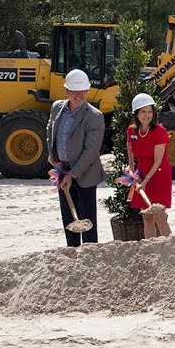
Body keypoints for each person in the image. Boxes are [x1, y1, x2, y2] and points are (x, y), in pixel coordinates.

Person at [45, 69, 105, 246]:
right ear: (66, 91)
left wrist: (72, 175)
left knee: (87, 222)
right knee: (69, 219)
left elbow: (91, 151)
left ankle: (90, 256)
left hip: (85, 174)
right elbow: (50, 131)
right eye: (75, 91)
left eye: (83, 91)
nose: (79, 95)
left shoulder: (94, 116)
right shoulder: (57, 108)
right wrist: (54, 158)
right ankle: (71, 254)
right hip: (63, 170)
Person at [125, 93, 173, 237]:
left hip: (159, 174)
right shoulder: (131, 131)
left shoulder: (159, 131)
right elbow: (131, 157)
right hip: (142, 172)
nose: (147, 115)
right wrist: (132, 173)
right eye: (143, 112)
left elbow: (158, 160)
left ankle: (170, 247)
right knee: (146, 216)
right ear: (136, 113)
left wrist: (146, 181)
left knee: (159, 215)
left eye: (150, 111)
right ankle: (150, 250)